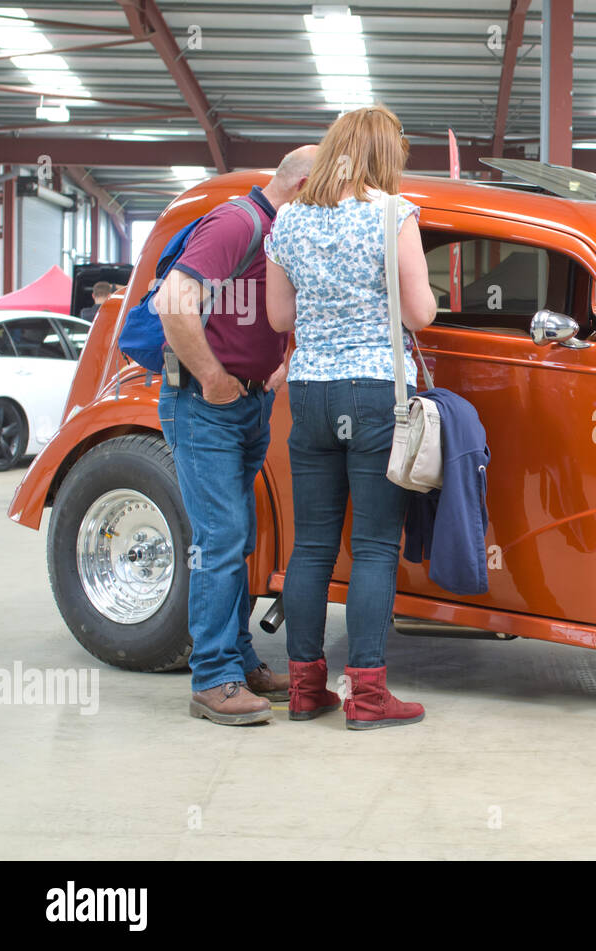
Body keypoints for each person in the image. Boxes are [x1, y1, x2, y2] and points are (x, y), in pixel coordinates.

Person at [264, 105, 435, 730]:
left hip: (310, 391)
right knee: (372, 546)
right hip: (375, 394)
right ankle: (367, 695)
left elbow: (281, 320)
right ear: (384, 157)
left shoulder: (288, 219)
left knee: (309, 546)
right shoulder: (395, 214)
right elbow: (420, 314)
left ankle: (306, 688)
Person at [155, 145, 318, 725]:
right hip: (205, 405)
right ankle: (213, 679)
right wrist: (215, 379)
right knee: (221, 538)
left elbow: (255, 314)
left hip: (242, 404)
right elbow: (174, 304)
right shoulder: (237, 222)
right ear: (301, 188)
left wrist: (268, 370)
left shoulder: (272, 233)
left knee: (239, 535)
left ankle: (239, 660)